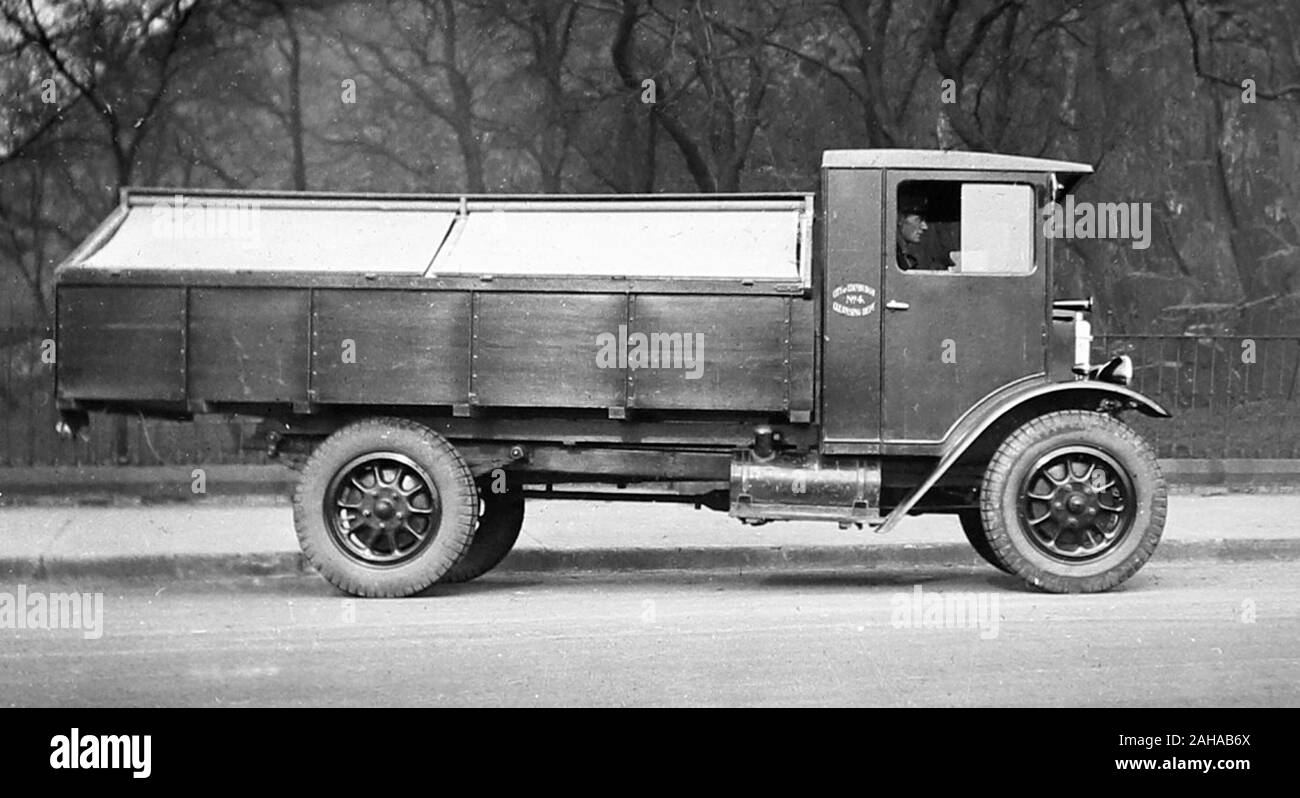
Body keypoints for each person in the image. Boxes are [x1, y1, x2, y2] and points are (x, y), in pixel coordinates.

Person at [896, 200, 955, 271]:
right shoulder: (894, 256)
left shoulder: (902, 256)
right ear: (900, 219)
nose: (925, 227)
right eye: (919, 220)